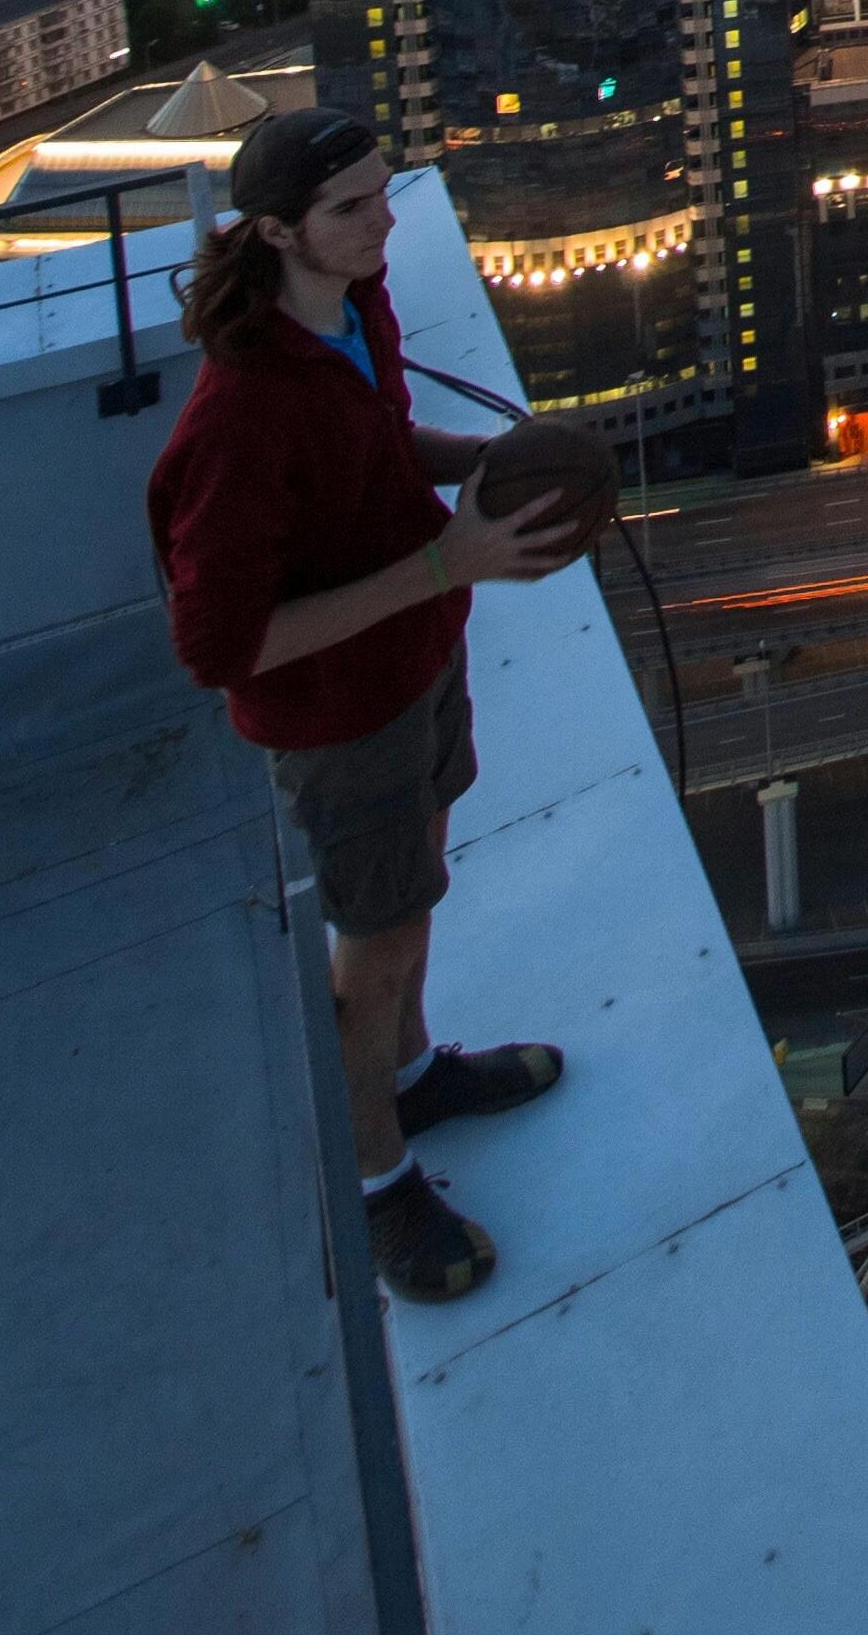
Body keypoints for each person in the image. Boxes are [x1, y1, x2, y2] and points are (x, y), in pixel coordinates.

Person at [148, 104, 584, 1302]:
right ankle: (381, 1185)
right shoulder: (239, 416)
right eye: (353, 209)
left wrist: (484, 465)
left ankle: (412, 1078)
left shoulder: (353, 305)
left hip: (415, 665)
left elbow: (383, 438)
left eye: (385, 196)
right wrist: (449, 565)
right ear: (276, 230)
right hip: (343, 719)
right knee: (370, 950)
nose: (385, 222)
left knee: (412, 902)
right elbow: (220, 644)